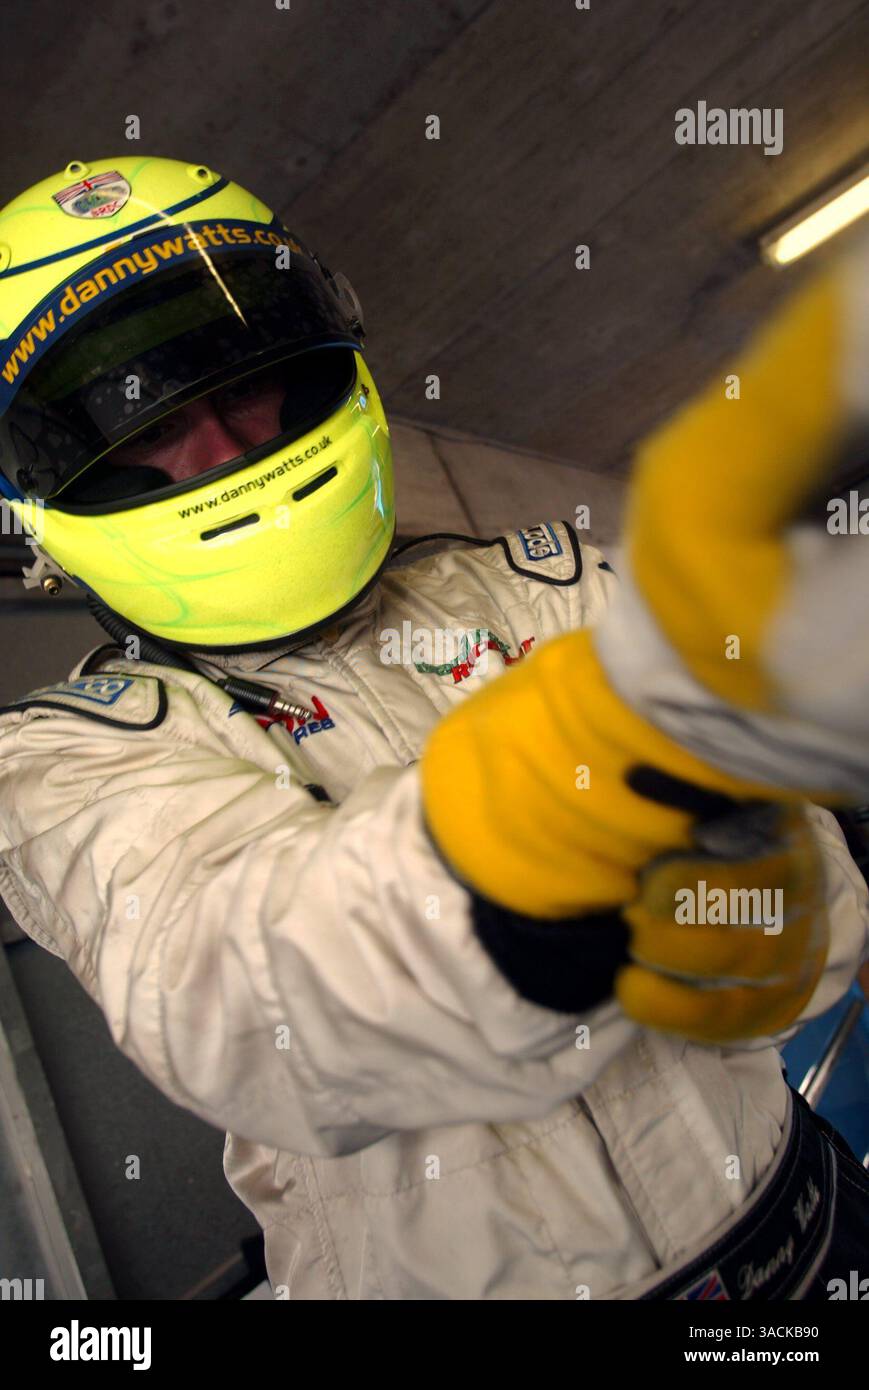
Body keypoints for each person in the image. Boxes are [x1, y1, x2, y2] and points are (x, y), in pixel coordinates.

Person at [0, 155, 867, 1301]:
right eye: (131, 423)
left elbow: (814, 935)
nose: (220, 449)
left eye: (233, 373)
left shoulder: (547, 585)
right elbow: (250, 1009)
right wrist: (548, 836)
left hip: (801, 1231)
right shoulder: (65, 757)